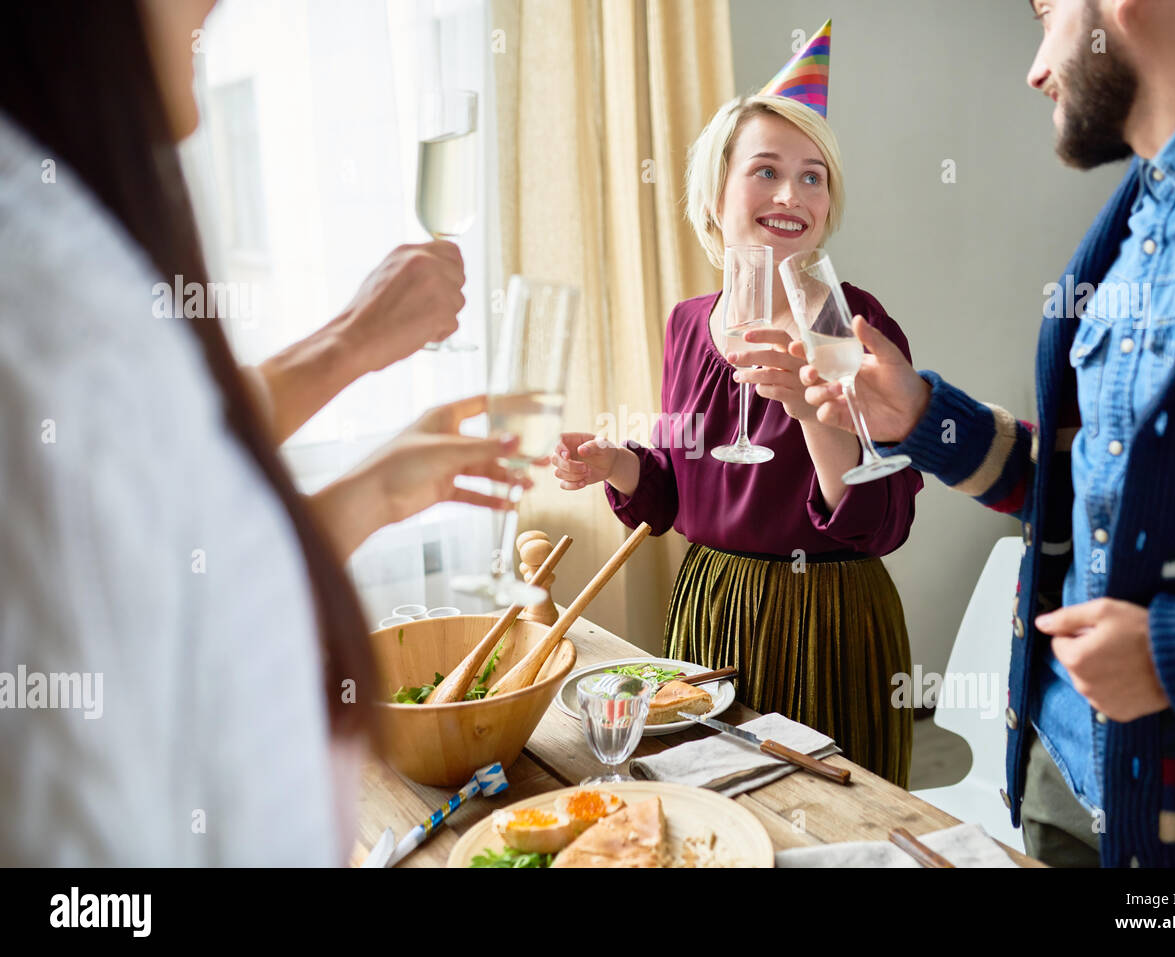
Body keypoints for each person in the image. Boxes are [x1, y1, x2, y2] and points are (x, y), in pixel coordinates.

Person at [0, 0, 524, 864]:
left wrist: (363, 467)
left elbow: (166, 508)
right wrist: (347, 354)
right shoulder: (57, 320)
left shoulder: (75, 264)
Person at [802, 0, 1175, 867]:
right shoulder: (1143, 213)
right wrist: (922, 418)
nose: (1036, 70)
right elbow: (1098, 486)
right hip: (1059, 783)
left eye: (1044, 14)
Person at [551, 24, 924, 783]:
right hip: (711, 607)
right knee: (714, 826)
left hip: (829, 617)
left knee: (829, 829)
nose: (793, 195)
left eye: (814, 177)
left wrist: (813, 409)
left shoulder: (849, 321)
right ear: (716, 195)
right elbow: (675, 490)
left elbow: (884, 520)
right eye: (767, 171)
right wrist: (618, 463)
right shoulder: (690, 323)